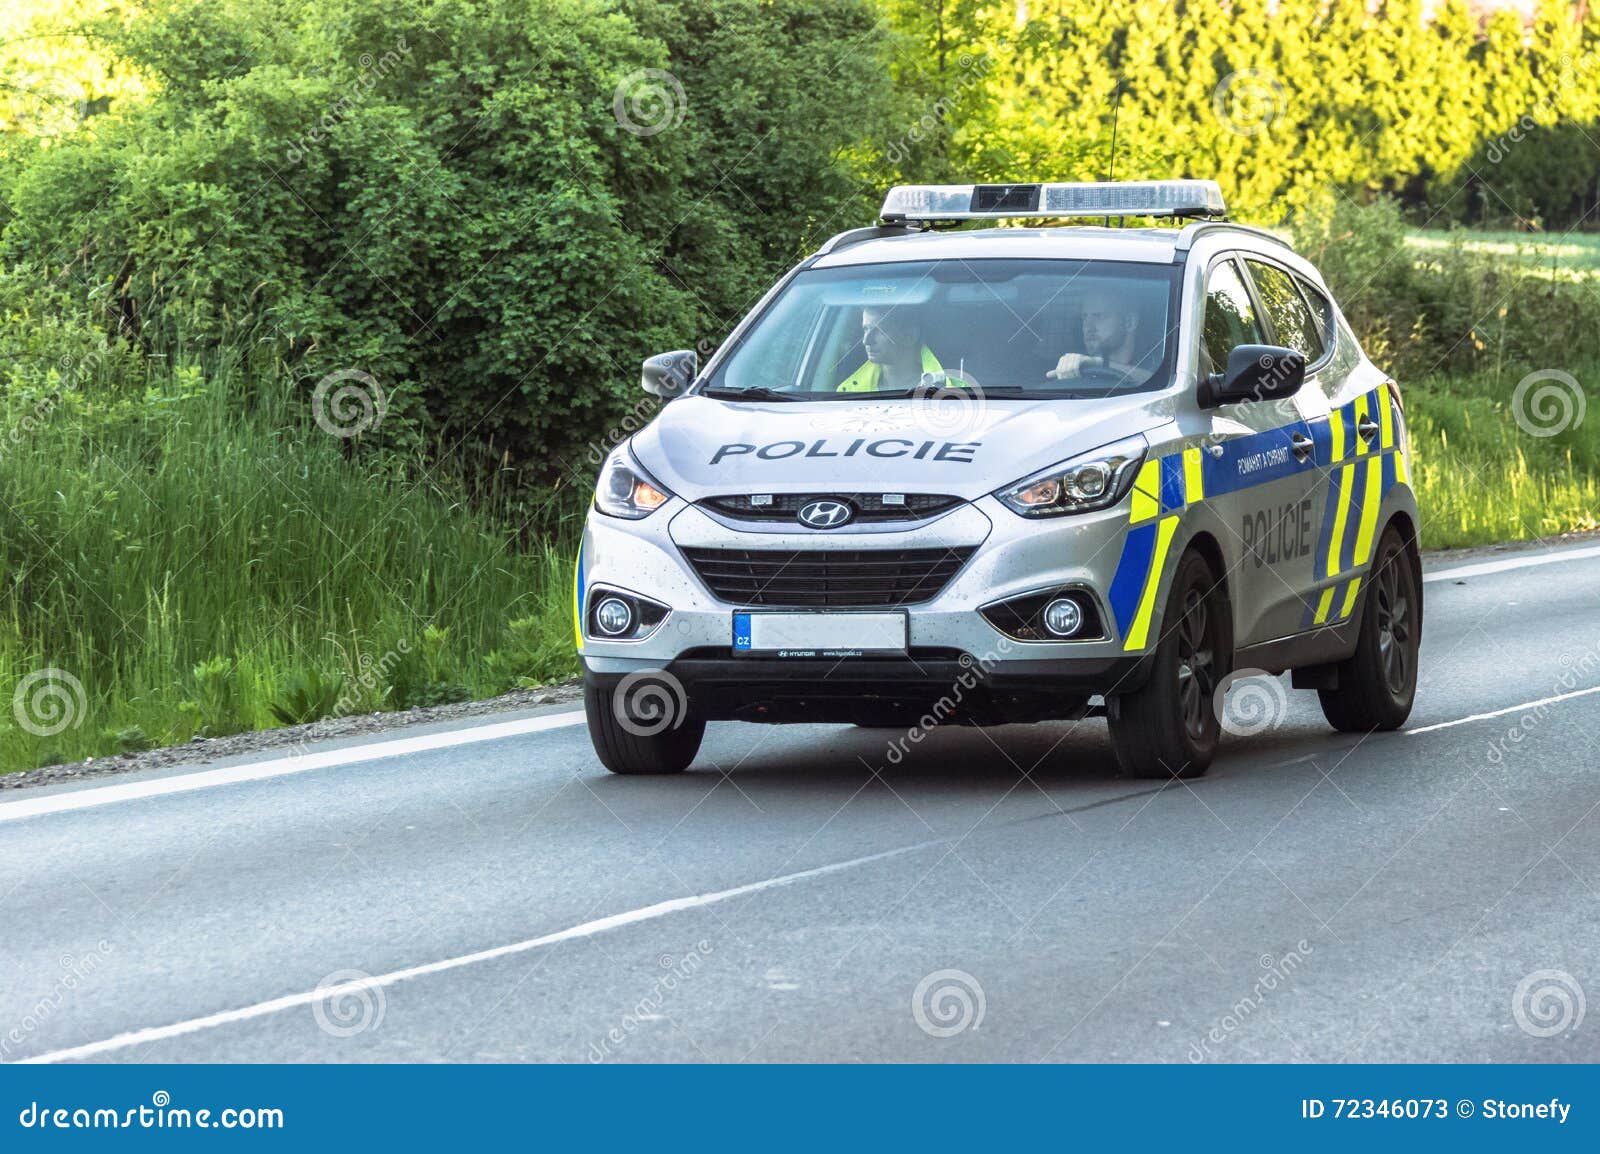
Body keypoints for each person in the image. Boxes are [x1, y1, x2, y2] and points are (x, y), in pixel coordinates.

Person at [1047, 301, 1155, 387]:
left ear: (1129, 322)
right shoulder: (1071, 366)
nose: (1088, 327)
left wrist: (1099, 363)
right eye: (1084, 317)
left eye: (1098, 316)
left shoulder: (1160, 364)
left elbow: (1156, 384)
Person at [836, 306, 942, 392]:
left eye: (879, 330)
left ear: (909, 335)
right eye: (866, 329)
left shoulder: (950, 392)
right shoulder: (848, 391)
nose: (866, 341)